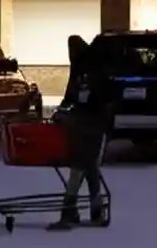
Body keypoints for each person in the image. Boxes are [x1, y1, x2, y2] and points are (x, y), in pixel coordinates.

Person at [47, 34, 114, 231]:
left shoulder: (91, 70)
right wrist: (63, 111)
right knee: (89, 169)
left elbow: (94, 97)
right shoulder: (86, 67)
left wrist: (68, 109)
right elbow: (71, 95)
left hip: (90, 125)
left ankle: (69, 211)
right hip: (87, 124)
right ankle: (95, 211)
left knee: (79, 169)